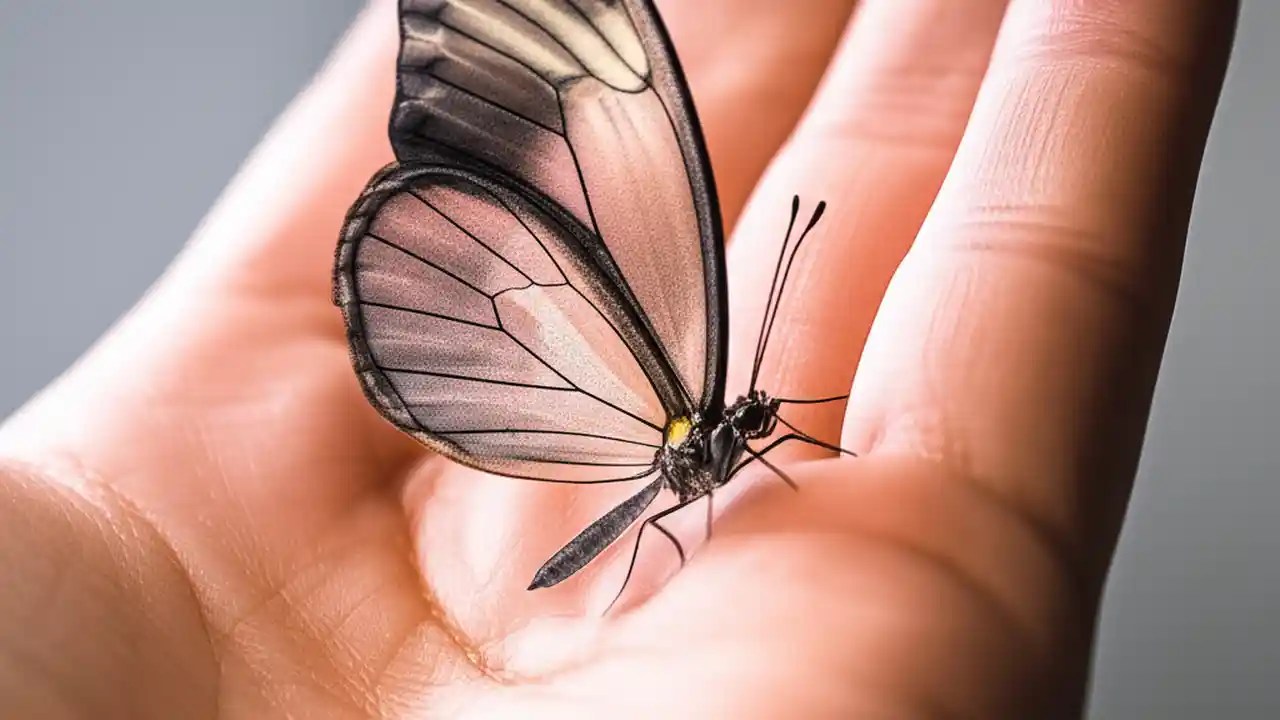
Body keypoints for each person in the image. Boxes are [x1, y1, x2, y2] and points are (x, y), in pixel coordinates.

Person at [0, 0, 1238, 716]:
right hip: (500, 324)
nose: (756, 425)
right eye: (756, 426)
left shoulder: (711, 427)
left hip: (548, 375)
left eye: (759, 427)